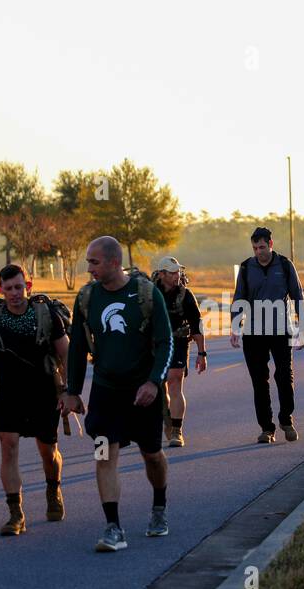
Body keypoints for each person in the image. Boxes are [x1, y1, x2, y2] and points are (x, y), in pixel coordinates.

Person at [61, 236, 173, 552]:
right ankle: (113, 527)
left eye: (93, 262)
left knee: (151, 455)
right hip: (105, 392)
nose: (89, 268)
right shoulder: (86, 297)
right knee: (103, 452)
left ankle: (159, 508)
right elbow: (78, 348)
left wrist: (154, 382)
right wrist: (71, 391)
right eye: (88, 262)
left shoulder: (147, 294)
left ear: (113, 262)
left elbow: (166, 342)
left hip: (143, 393)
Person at [0, 264, 69, 536]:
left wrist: (69, 391)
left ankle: (53, 489)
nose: (14, 293)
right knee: (8, 447)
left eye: (18, 287)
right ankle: (15, 514)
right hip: (7, 393)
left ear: (27, 286)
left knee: (48, 451)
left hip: (44, 391)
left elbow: (66, 355)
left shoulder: (45, 314)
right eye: (8, 288)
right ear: (0, 290)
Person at [230, 226, 304, 444]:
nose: (258, 252)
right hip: (253, 333)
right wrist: (235, 327)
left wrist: (302, 329)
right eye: (255, 248)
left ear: (270, 245)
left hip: (281, 330)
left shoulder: (284, 265)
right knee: (259, 381)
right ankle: (267, 428)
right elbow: (239, 298)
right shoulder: (246, 268)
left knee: (284, 375)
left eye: (262, 247)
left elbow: (298, 296)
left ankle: (286, 419)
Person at [151, 256, 207, 448]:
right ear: (162, 274)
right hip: (154, 345)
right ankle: (165, 417)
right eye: (173, 272)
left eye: (178, 272)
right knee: (158, 387)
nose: (177, 276)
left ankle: (176, 430)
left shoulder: (186, 295)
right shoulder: (148, 293)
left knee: (174, 381)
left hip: (178, 342)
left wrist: (202, 353)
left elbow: (196, 325)